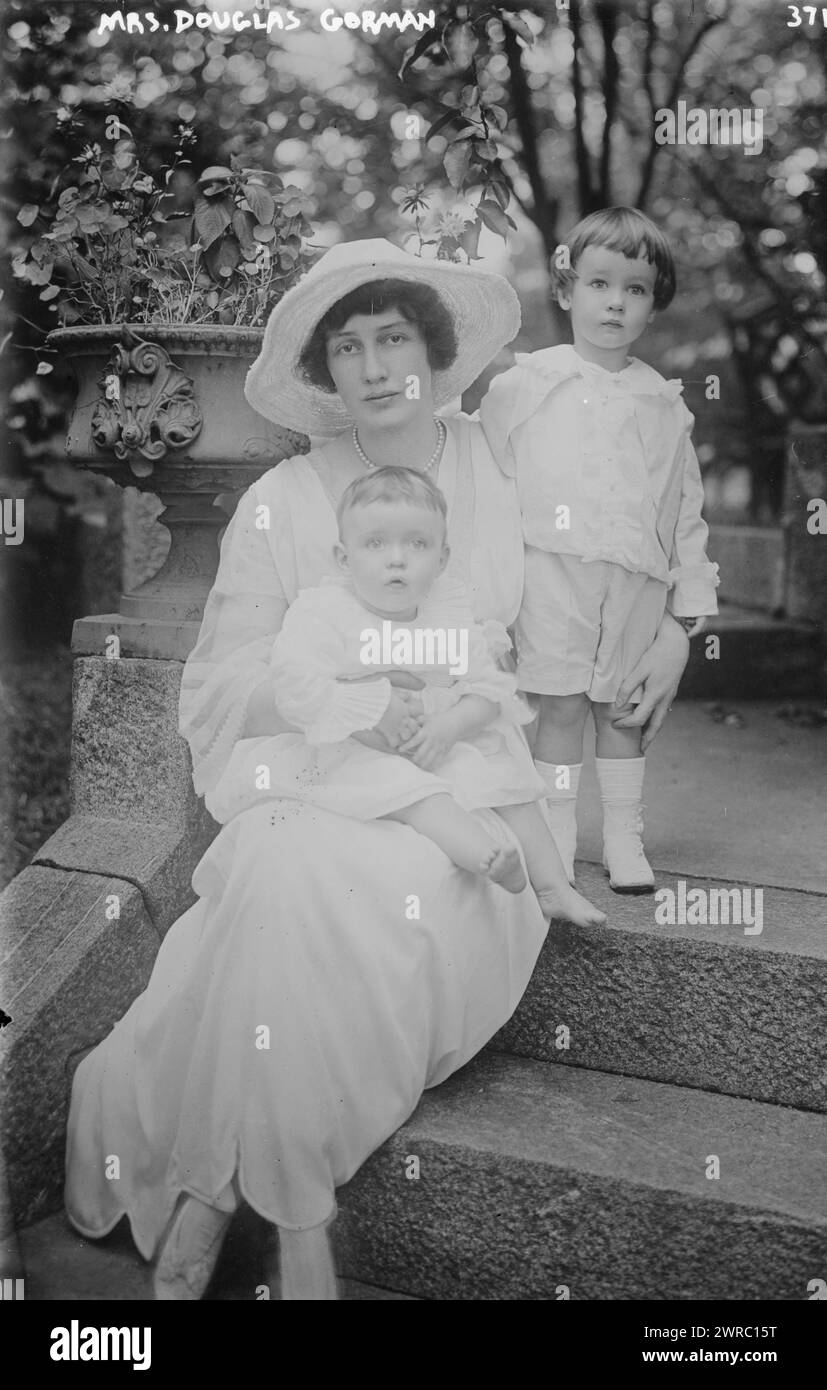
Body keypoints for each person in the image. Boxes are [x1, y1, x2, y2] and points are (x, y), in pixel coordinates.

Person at [64, 237, 692, 1301]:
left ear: (432, 349)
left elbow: (634, 518)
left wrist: (677, 626)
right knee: (274, 877)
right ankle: (267, 1204)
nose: (369, 364)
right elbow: (226, 688)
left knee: (328, 907)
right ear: (320, 371)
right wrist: (356, 701)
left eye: (391, 336)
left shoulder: (495, 466)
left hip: (470, 783)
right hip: (317, 766)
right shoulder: (284, 498)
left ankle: (210, 1200)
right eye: (344, 345)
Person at [214, 465, 606, 925]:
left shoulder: (447, 610)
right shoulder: (325, 613)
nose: (396, 559)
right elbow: (296, 685)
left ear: (441, 558)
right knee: (410, 791)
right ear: (344, 557)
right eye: (376, 544)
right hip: (350, 744)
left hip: (434, 738)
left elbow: (488, 687)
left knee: (506, 773)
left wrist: (450, 726)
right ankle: (482, 854)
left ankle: (553, 886)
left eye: (416, 544)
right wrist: (371, 709)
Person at [480, 207, 719, 893]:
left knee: (622, 710)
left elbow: (684, 512)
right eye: (598, 283)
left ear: (652, 305)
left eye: (635, 289)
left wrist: (688, 607)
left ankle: (621, 836)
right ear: (565, 290)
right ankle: (556, 827)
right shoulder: (527, 384)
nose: (614, 301)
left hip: (634, 582)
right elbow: (483, 472)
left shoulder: (664, 405)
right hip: (549, 574)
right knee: (555, 706)